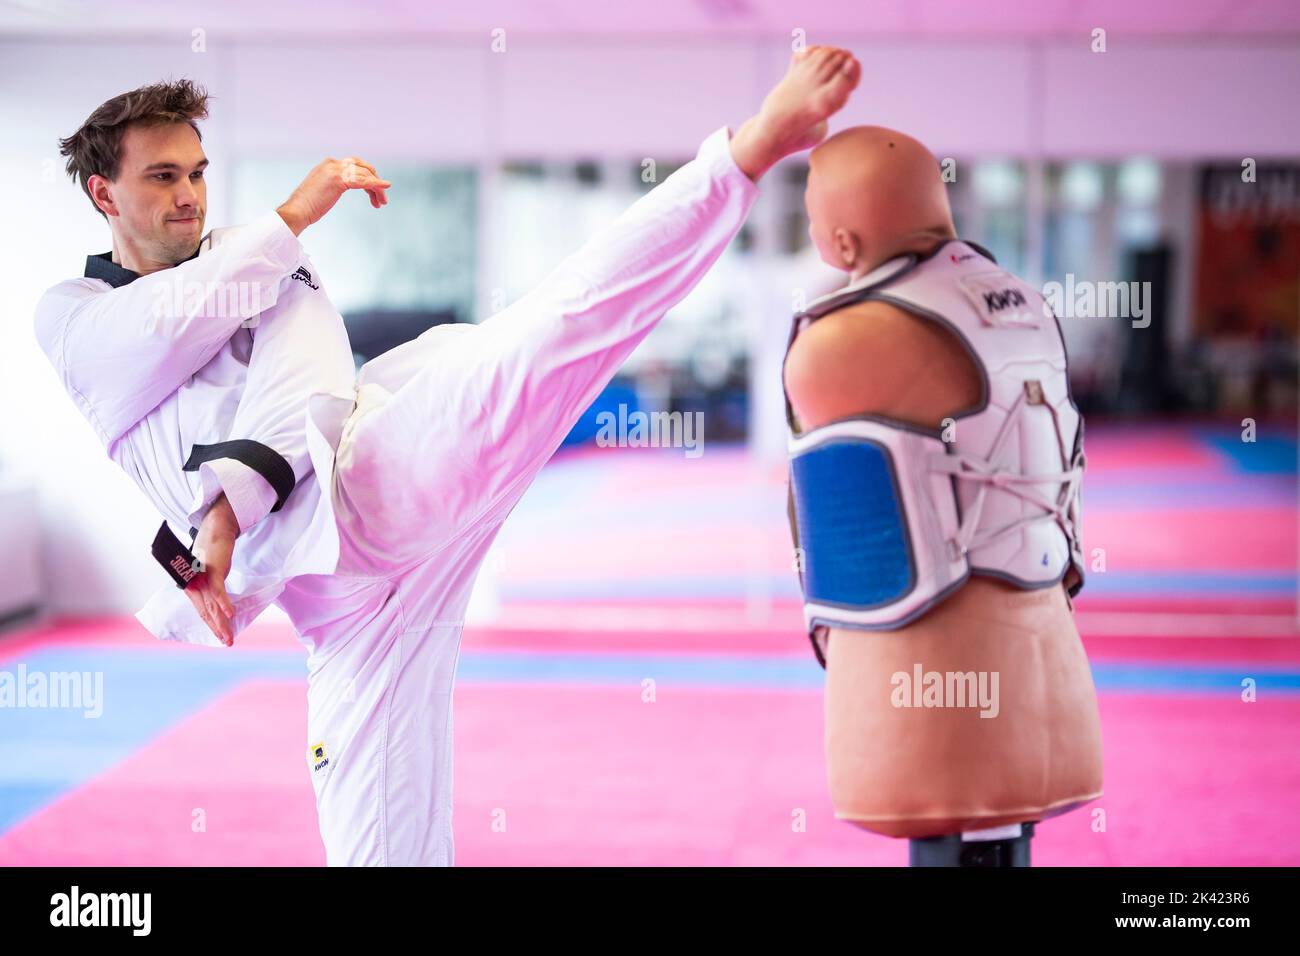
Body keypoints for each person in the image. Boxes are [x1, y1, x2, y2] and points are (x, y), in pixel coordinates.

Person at [36, 47, 862, 865]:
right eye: (162, 177)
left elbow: (305, 378)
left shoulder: (258, 259)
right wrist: (286, 221)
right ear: (103, 192)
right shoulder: (71, 317)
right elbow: (149, 336)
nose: (189, 196)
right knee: (383, 850)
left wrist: (225, 513)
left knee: (560, 330)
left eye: (197, 172)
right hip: (343, 611)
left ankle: (747, 151)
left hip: (384, 472)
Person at [782, 126, 1103, 866]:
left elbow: (835, 510)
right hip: (1046, 670)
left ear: (844, 237)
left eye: (809, 211)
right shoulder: (1025, 305)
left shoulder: (839, 341)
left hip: (929, 686)